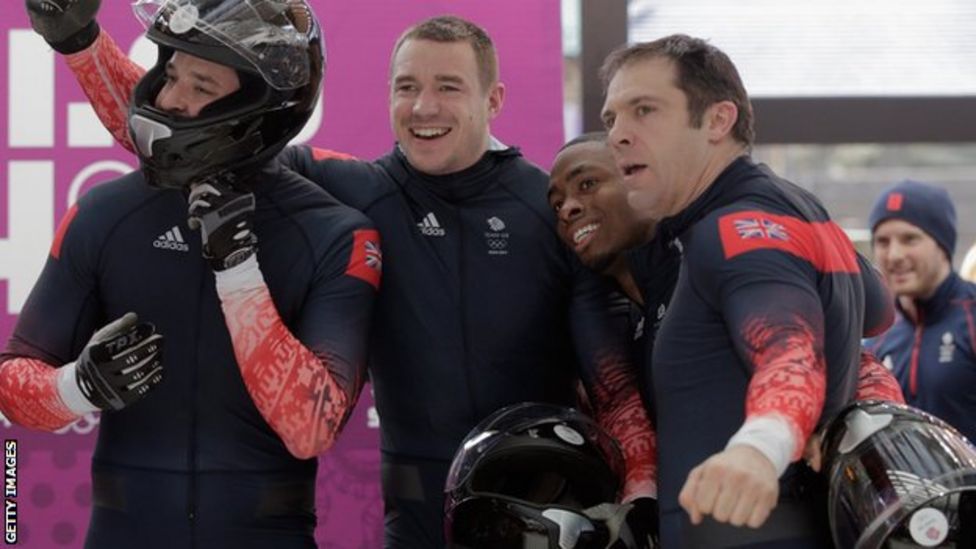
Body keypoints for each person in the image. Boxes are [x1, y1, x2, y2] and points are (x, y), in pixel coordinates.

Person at [25, 3, 656, 547]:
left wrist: (641, 499)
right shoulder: (355, 189)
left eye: (448, 87)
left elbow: (615, 390)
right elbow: (193, 138)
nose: (424, 106)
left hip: (546, 515)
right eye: (406, 87)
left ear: (493, 99)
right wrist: (82, 45)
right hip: (413, 523)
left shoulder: (550, 209)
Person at [1, 1, 379, 547]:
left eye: (201, 85)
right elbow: (12, 386)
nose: (169, 99)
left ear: (260, 108)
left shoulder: (336, 234)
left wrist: (238, 269)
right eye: (170, 73)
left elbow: (310, 429)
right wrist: (75, 387)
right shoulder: (103, 213)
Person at [599, 35, 879, 547]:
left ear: (717, 120)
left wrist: (759, 447)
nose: (617, 135)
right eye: (611, 118)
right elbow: (877, 311)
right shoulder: (795, 211)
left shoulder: (732, 230)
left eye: (644, 110)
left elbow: (789, 349)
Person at [548, 131, 904, 472]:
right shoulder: (620, 320)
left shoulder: (714, 249)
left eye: (587, 184)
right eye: (557, 203)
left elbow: (874, 314)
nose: (568, 209)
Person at [866, 180, 976, 444]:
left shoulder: (971, 317)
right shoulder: (875, 334)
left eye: (909, 239)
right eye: (882, 241)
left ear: (942, 246)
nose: (894, 255)